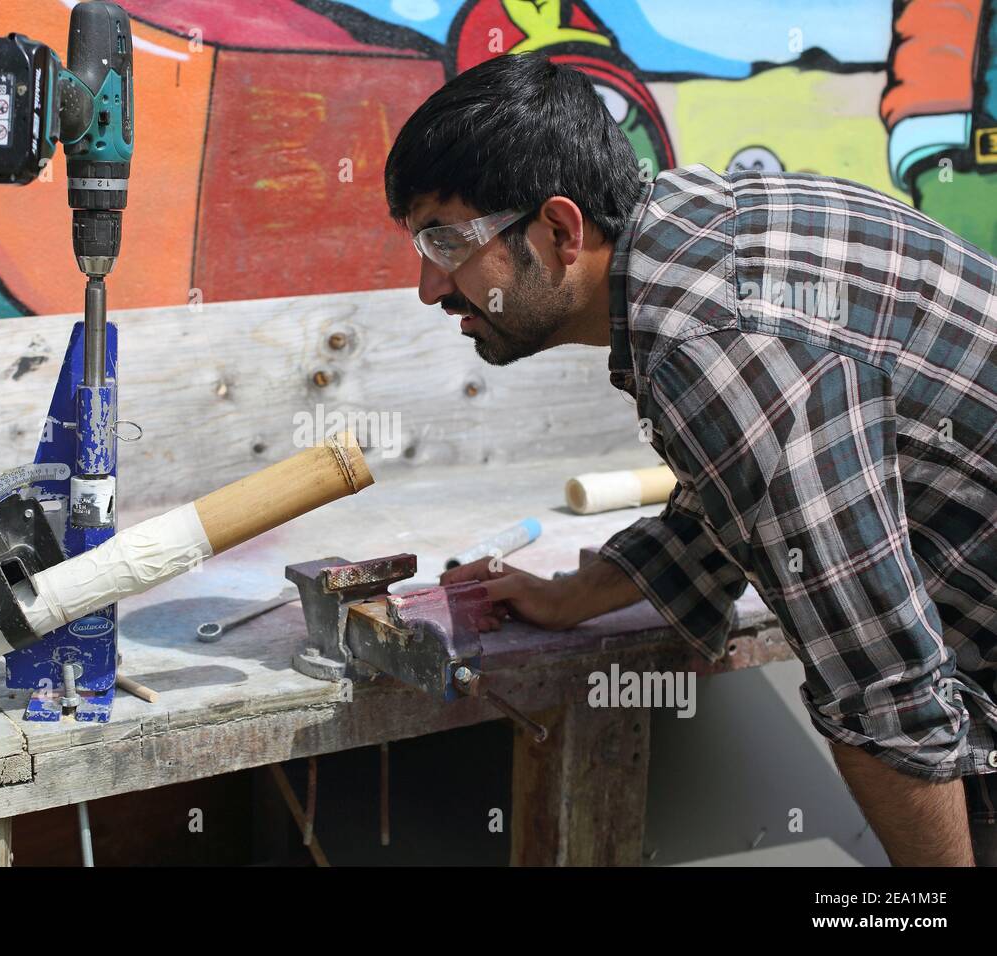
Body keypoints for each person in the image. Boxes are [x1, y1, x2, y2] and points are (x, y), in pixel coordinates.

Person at [385, 52, 997, 867]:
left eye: (447, 241)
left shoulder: (716, 348)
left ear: (562, 230)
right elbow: (751, 490)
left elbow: (886, 699)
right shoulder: (687, 226)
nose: (430, 286)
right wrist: (579, 594)